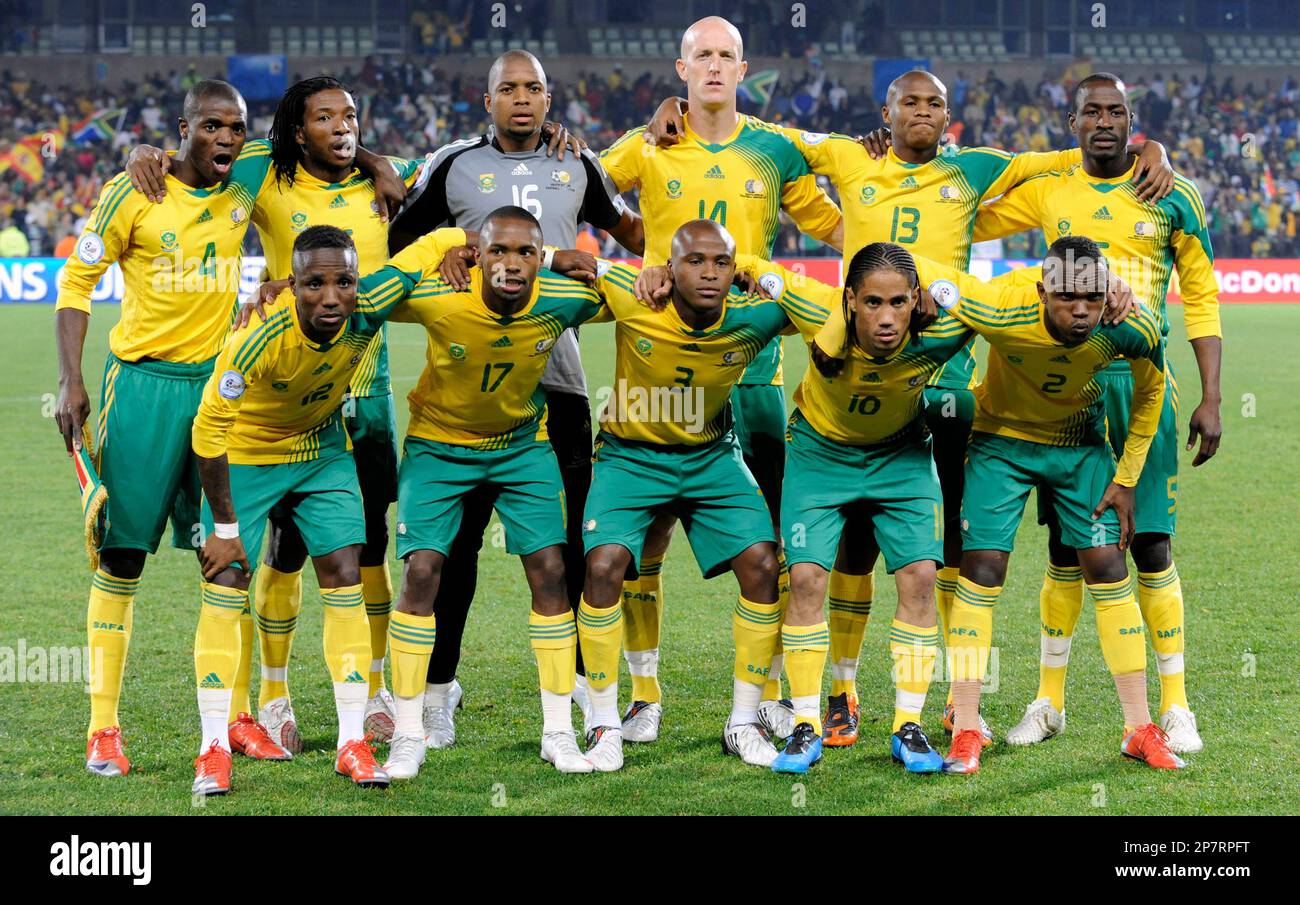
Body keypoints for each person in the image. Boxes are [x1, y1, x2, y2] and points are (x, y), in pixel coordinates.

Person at [645, 67, 1173, 747]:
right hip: (860, 362)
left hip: (947, 379)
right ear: (885, 112)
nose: (923, 112)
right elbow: (766, 136)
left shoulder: (974, 168)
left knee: (951, 552)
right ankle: (841, 689)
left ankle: (960, 704)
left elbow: (1077, 154)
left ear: (949, 116)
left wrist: (1147, 151)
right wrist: (682, 108)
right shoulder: (845, 154)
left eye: (935, 104)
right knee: (855, 547)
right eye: (909, 103)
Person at [125, 77, 420, 753]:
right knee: (283, 551)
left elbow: (439, 187)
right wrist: (149, 151)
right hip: (283, 389)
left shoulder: (390, 176)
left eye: (351, 116)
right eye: (325, 117)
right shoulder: (263, 167)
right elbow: (201, 160)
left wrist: (373, 158)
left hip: (364, 387)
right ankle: (274, 694)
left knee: (365, 545)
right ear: (296, 129)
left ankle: (373, 687)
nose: (343, 126)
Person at [815, 235, 1185, 773]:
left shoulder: (1128, 324)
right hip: (1001, 444)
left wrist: (1126, 477)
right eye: (1066, 297)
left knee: (1109, 570)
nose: (1080, 310)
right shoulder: (997, 308)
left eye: (1092, 296)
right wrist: (917, 292)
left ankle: (1138, 727)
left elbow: (1151, 389)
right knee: (981, 571)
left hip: (1080, 446)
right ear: (1041, 291)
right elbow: (918, 265)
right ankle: (966, 727)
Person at [596, 16, 844, 745]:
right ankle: (643, 693)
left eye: (725, 56)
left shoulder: (773, 149)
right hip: (656, 363)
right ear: (680, 69)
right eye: (701, 55)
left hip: (753, 366)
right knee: (644, 537)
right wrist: (635, 246)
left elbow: (837, 220)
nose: (712, 66)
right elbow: (584, 185)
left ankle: (763, 695)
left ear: (743, 69)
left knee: (767, 543)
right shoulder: (648, 143)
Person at [388, 49, 644, 750]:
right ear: (487, 98)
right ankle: (438, 693)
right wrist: (453, 240)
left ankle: (586, 709)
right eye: (510, 89)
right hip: (466, 393)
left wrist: (654, 146)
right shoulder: (453, 165)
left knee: (566, 555)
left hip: (557, 387)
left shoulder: (580, 164)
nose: (523, 99)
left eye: (534, 88)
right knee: (453, 552)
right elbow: (393, 244)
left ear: (550, 98)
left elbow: (636, 235)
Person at [972, 73, 1220, 754]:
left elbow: (1200, 297)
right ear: (1072, 120)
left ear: (1133, 119)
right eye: (1091, 112)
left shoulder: (1172, 193)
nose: (1104, 122)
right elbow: (970, 207)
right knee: (1067, 548)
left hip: (1142, 384)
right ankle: (1048, 702)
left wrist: (1213, 394)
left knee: (1149, 544)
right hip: (1069, 387)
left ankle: (1176, 706)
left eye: (1117, 112)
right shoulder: (1051, 187)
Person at [188, 226, 466, 793]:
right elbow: (207, 428)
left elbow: (429, 246)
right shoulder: (258, 336)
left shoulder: (367, 306)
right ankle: (212, 748)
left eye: (344, 281)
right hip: (246, 451)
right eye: (314, 283)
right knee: (229, 578)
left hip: (321, 451)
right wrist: (222, 528)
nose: (332, 297)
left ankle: (351, 743)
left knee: (346, 572)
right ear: (290, 285)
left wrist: (469, 245)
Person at [54, 81, 259, 779]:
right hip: (141, 391)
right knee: (122, 560)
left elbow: (324, 155)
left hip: (219, 396)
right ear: (183, 128)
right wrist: (71, 379)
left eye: (236, 127)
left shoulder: (250, 176)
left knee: (228, 560)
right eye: (211, 126)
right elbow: (76, 284)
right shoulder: (133, 188)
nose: (227, 138)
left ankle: (229, 723)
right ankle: (102, 727)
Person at [576, 219, 829, 772]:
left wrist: (760, 273)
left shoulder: (753, 318)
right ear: (670, 267)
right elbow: (561, 258)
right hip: (629, 454)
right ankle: (604, 720)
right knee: (604, 565)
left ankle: (743, 721)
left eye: (721, 262)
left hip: (712, 454)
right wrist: (462, 249)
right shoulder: (630, 291)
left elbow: (831, 307)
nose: (709, 273)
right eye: (695, 261)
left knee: (764, 563)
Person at [729, 244, 973, 773]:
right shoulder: (813, 306)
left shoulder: (946, 326)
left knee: (921, 577)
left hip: (902, 456)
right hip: (820, 456)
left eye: (898, 303)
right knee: (810, 578)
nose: (886, 319)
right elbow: (743, 257)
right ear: (849, 302)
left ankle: (908, 726)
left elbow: (1014, 300)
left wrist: (1115, 292)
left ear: (916, 300)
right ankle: (807, 725)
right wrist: (658, 270)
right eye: (872, 303)